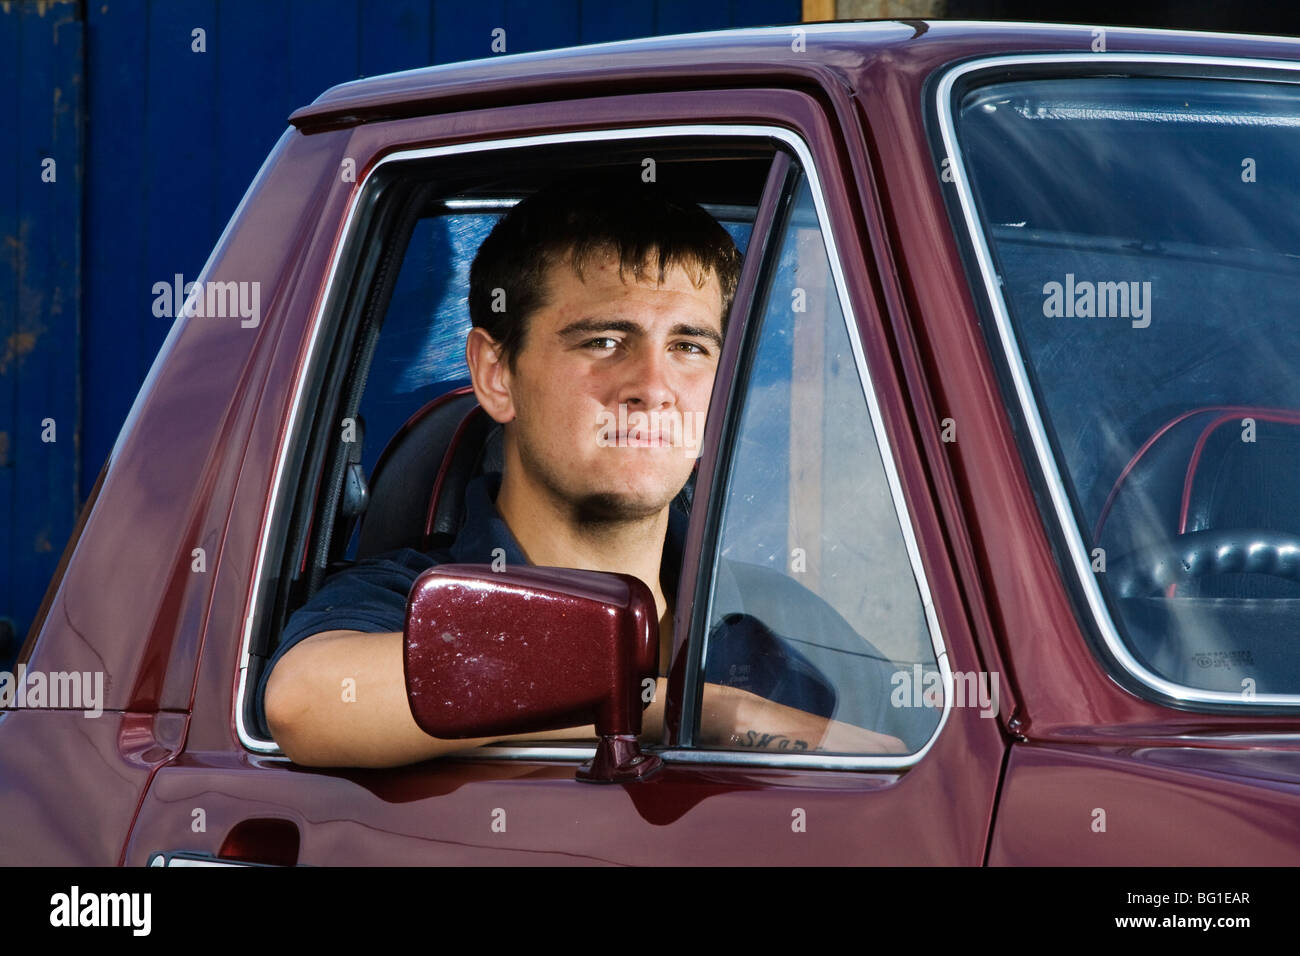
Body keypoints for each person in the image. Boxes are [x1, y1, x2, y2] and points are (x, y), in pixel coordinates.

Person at [260, 176, 906, 767]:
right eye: (603, 341)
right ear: (496, 373)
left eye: (689, 346)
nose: (654, 387)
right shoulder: (411, 598)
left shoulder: (789, 624)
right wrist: (698, 710)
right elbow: (310, 701)